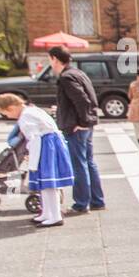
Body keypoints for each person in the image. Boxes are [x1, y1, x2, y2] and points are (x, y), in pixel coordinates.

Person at [0, 92, 73, 227]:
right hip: (50, 144)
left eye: (5, 114)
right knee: (46, 184)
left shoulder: (25, 117)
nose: (7, 117)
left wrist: (32, 160)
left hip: (45, 146)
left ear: (11, 108)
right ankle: (48, 213)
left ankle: (54, 216)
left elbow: (34, 138)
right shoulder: (32, 110)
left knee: (48, 184)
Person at [50, 46, 105, 214]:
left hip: (77, 127)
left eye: (50, 59)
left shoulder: (66, 77)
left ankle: (81, 204)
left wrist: (82, 121)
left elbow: (82, 100)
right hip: (84, 125)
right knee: (88, 162)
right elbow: (85, 99)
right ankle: (97, 201)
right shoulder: (78, 73)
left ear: (55, 59)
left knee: (79, 164)